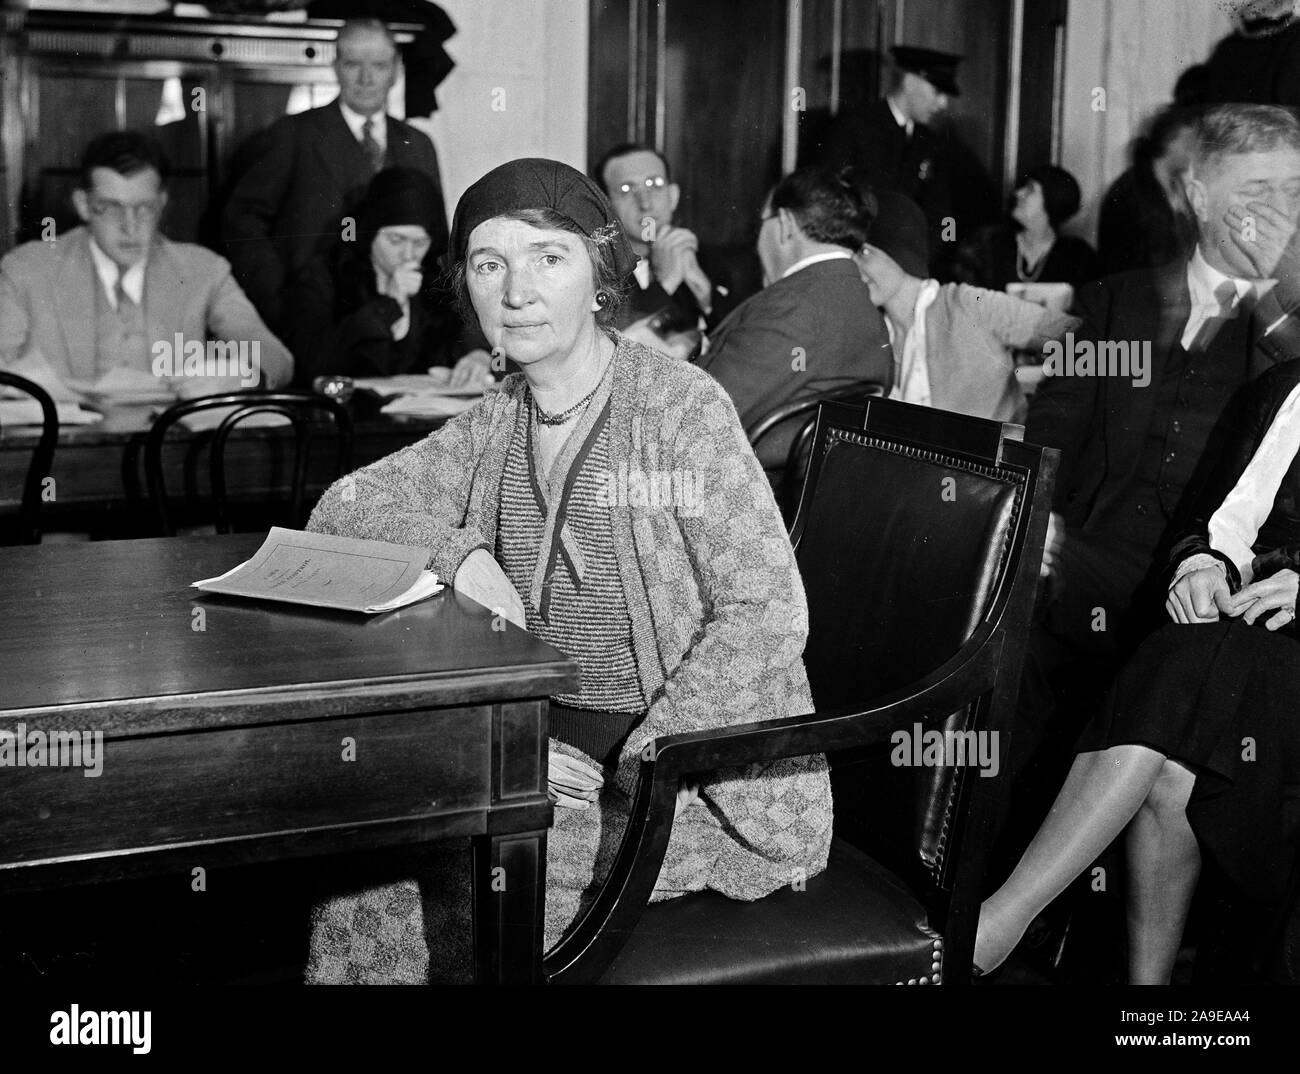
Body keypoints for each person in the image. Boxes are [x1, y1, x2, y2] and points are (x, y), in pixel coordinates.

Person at [301, 157, 834, 983]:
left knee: (458, 891)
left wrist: (644, 764)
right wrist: (461, 555)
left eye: (548, 258)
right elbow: (344, 505)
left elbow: (767, 613)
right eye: (489, 263)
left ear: (599, 277)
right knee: (361, 884)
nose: (517, 291)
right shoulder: (499, 417)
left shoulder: (680, 410)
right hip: (541, 757)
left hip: (687, 784)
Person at [1007, 103, 1300, 854]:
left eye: (1294, 190)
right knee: (1013, 629)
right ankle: (973, 888)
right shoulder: (1114, 301)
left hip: (1209, 572)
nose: (1280, 210)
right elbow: (1052, 431)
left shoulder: (1291, 330)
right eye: (1258, 189)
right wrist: (1038, 520)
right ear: (1200, 196)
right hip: (1093, 552)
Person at [974, 357, 1300, 983]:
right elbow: (1215, 517)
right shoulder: (1284, 386)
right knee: (1173, 767)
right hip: (1248, 635)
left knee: (1180, 666)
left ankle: (999, 921)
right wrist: (1202, 566)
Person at [0, 130, 292, 392]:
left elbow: (276, 359)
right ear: (83, 205)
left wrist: (241, 374)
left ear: (162, 203)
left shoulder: (204, 270)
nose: (130, 226)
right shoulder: (26, 269)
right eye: (111, 208)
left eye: (144, 208)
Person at [222, 18, 447, 330]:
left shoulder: (418, 145)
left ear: (395, 70)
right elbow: (243, 222)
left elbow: (437, 240)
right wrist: (277, 301)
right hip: (312, 324)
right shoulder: (293, 134)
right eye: (353, 64)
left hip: (395, 327)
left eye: (379, 65)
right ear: (336, 67)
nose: (366, 78)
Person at [694, 167, 891, 474]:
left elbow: (697, 415)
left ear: (785, 224)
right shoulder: (865, 309)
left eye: (762, 224)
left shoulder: (789, 309)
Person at [284, 167, 489, 386]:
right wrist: (388, 304)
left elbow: (472, 336)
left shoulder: (437, 277)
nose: (409, 255)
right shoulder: (324, 276)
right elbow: (315, 363)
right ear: (370, 233)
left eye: (419, 243)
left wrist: (479, 356)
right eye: (396, 240)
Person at [854, 227, 1079, 423]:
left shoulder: (967, 304)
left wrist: (1048, 416)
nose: (853, 267)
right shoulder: (871, 333)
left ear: (900, 251)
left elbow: (1082, 337)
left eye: (864, 252)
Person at [816, 45, 977, 275]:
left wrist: (920, 261)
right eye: (937, 92)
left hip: (911, 269)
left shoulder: (931, 142)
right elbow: (831, 200)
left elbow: (941, 214)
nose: (943, 104)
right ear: (910, 82)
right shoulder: (854, 127)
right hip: (857, 266)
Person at [592, 142, 746, 356]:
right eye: (627, 189)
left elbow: (745, 349)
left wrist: (705, 296)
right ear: (607, 207)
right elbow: (613, 353)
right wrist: (664, 283)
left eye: (654, 184)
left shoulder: (713, 262)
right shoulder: (596, 271)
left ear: (673, 196)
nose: (645, 203)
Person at [955, 165, 1101, 292]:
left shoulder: (1078, 257)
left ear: (1052, 199)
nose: (1018, 193)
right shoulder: (985, 244)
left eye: (1030, 189)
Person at [1097, 105, 1200, 277]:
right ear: (1168, 142)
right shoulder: (1129, 190)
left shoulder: (1178, 187)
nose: (1196, 151)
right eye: (1189, 143)